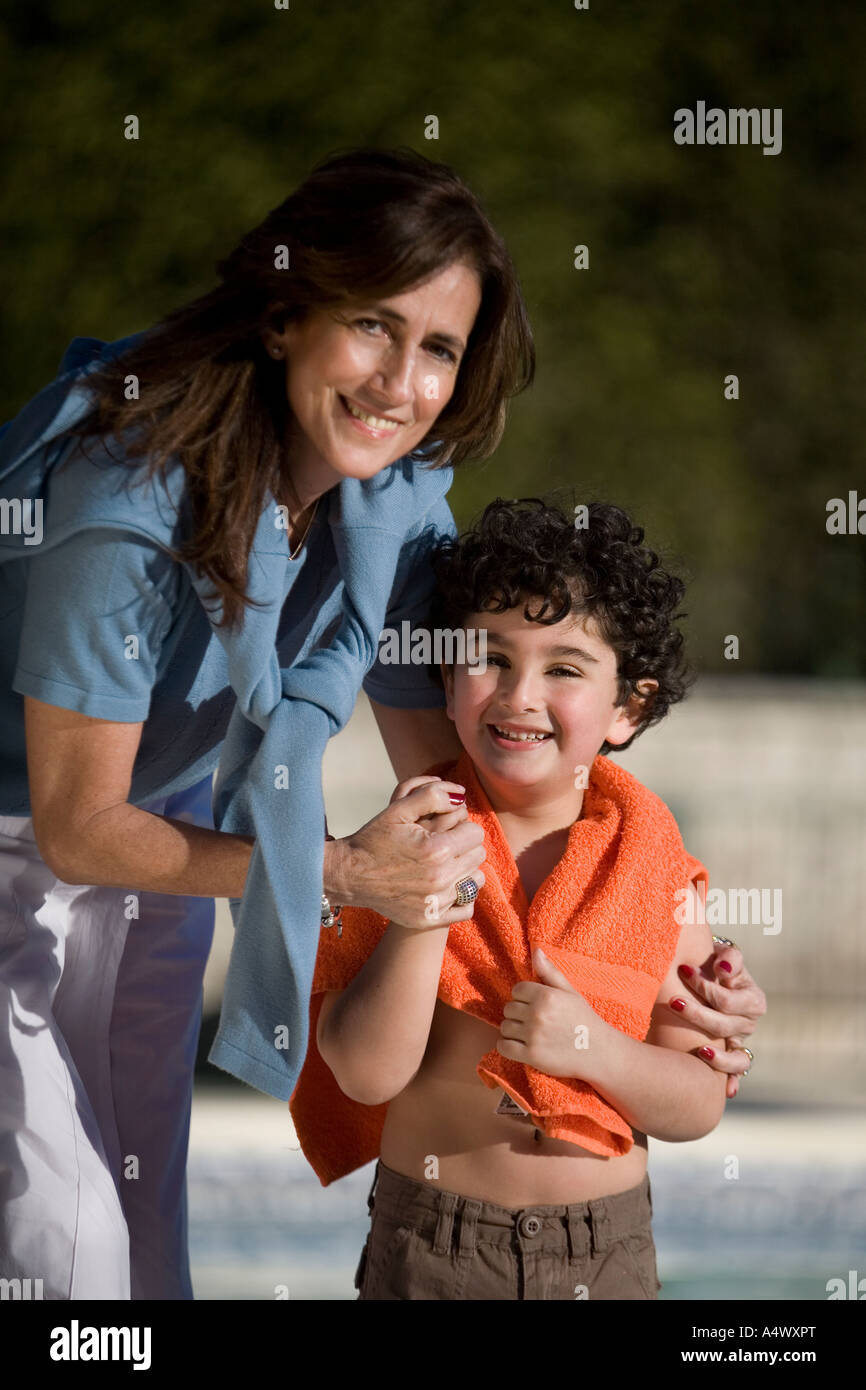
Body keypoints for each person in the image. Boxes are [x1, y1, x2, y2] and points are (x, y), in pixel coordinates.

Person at [0, 147, 534, 1298]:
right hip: (33, 838)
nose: (401, 381)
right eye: (373, 326)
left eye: (437, 347)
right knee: (61, 1259)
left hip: (166, 840)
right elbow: (74, 827)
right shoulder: (127, 496)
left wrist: (664, 957)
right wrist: (337, 871)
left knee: (144, 1254)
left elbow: (459, 786)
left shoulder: (389, 509)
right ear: (286, 316)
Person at [290, 497, 765, 1301]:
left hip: (605, 1251)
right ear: (445, 681)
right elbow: (366, 1075)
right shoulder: (400, 847)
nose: (519, 694)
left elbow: (696, 1101)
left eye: (565, 669)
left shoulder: (648, 868)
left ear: (628, 708)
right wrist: (422, 908)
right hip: (432, 1245)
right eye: (491, 659)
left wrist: (596, 1052)